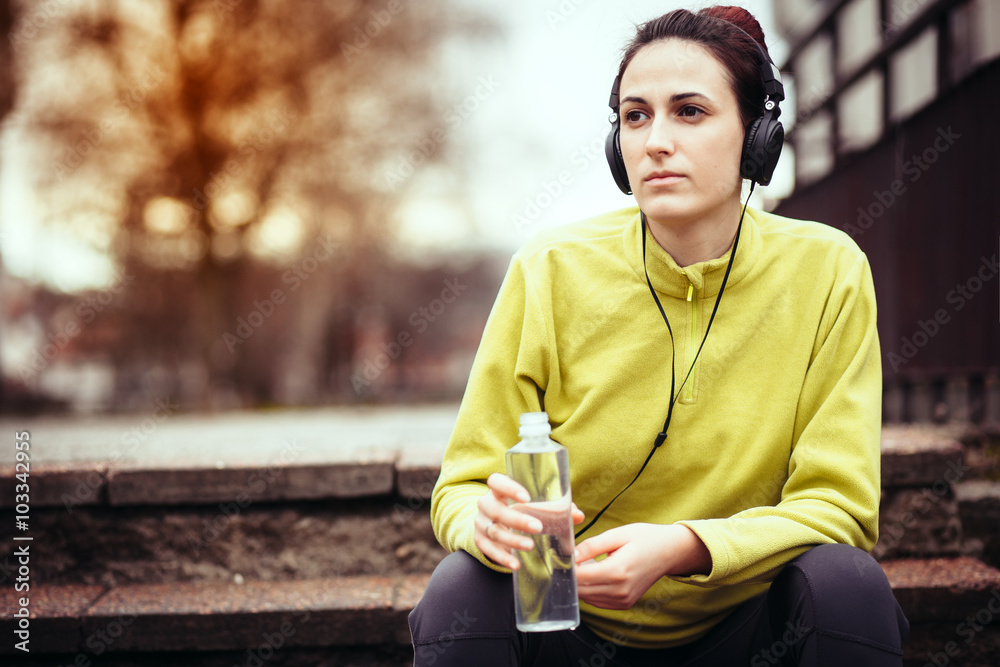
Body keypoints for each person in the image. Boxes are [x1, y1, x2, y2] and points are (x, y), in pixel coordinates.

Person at [409, 5, 910, 666]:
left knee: (848, 586)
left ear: (757, 135)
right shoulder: (549, 268)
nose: (655, 141)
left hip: (751, 627)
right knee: (460, 586)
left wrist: (685, 546)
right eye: (636, 116)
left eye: (690, 111)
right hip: (566, 627)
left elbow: (838, 507)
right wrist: (482, 521)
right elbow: (464, 481)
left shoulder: (829, 270)